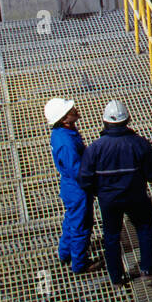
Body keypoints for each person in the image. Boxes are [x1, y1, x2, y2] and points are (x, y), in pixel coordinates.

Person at [78, 100, 152, 287]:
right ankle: (148, 271)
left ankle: (116, 278)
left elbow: (84, 179)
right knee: (145, 228)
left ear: (104, 122)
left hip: (108, 201)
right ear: (128, 120)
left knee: (111, 236)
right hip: (136, 197)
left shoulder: (94, 148)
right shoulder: (139, 144)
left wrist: (99, 191)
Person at [45, 97, 94, 274]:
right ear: (64, 119)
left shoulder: (63, 132)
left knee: (71, 221)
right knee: (81, 225)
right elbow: (77, 171)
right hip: (77, 189)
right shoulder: (66, 143)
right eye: (71, 110)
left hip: (70, 187)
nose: (75, 109)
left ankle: (65, 253)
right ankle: (80, 264)